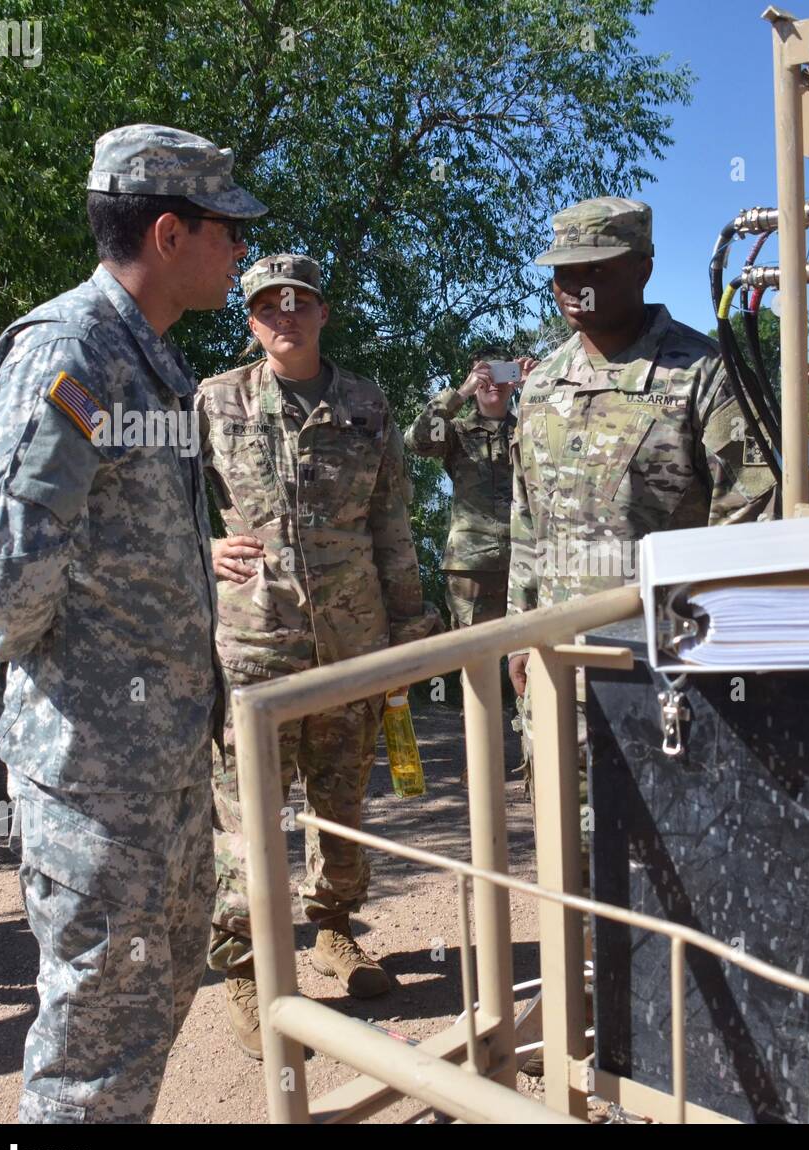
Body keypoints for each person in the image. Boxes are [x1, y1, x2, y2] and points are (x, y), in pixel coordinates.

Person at [0, 124, 265, 1121]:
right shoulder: (73, 349)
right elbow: (6, 578)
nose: (240, 251)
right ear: (171, 233)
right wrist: (28, 646)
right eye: (228, 230)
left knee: (153, 996)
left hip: (157, 758)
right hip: (95, 768)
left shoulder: (146, 359)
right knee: (92, 1039)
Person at [197, 252, 439, 1060]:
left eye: (299, 302)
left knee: (342, 806)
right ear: (251, 317)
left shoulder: (367, 407)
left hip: (349, 645)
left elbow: (393, 529)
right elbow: (150, 504)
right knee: (247, 820)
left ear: (324, 311)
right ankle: (245, 967)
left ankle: (336, 930)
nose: (284, 316)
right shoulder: (213, 403)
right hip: (254, 649)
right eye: (268, 304)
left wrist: (409, 632)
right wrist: (200, 549)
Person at [506, 196, 777, 698]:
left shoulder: (706, 375)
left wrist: (711, 653)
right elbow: (526, 519)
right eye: (562, 271)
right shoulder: (543, 382)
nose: (574, 288)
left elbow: (749, 523)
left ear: (642, 269)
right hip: (557, 665)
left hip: (662, 672)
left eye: (596, 269)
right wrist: (519, 630)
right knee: (548, 779)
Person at [404, 352, 536, 631]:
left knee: (533, 652)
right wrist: (460, 393)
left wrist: (538, 388)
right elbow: (418, 441)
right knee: (476, 658)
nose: (493, 382)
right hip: (472, 565)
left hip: (528, 560)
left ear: (512, 380)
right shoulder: (456, 432)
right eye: (485, 374)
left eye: (502, 373)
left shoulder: (531, 426)